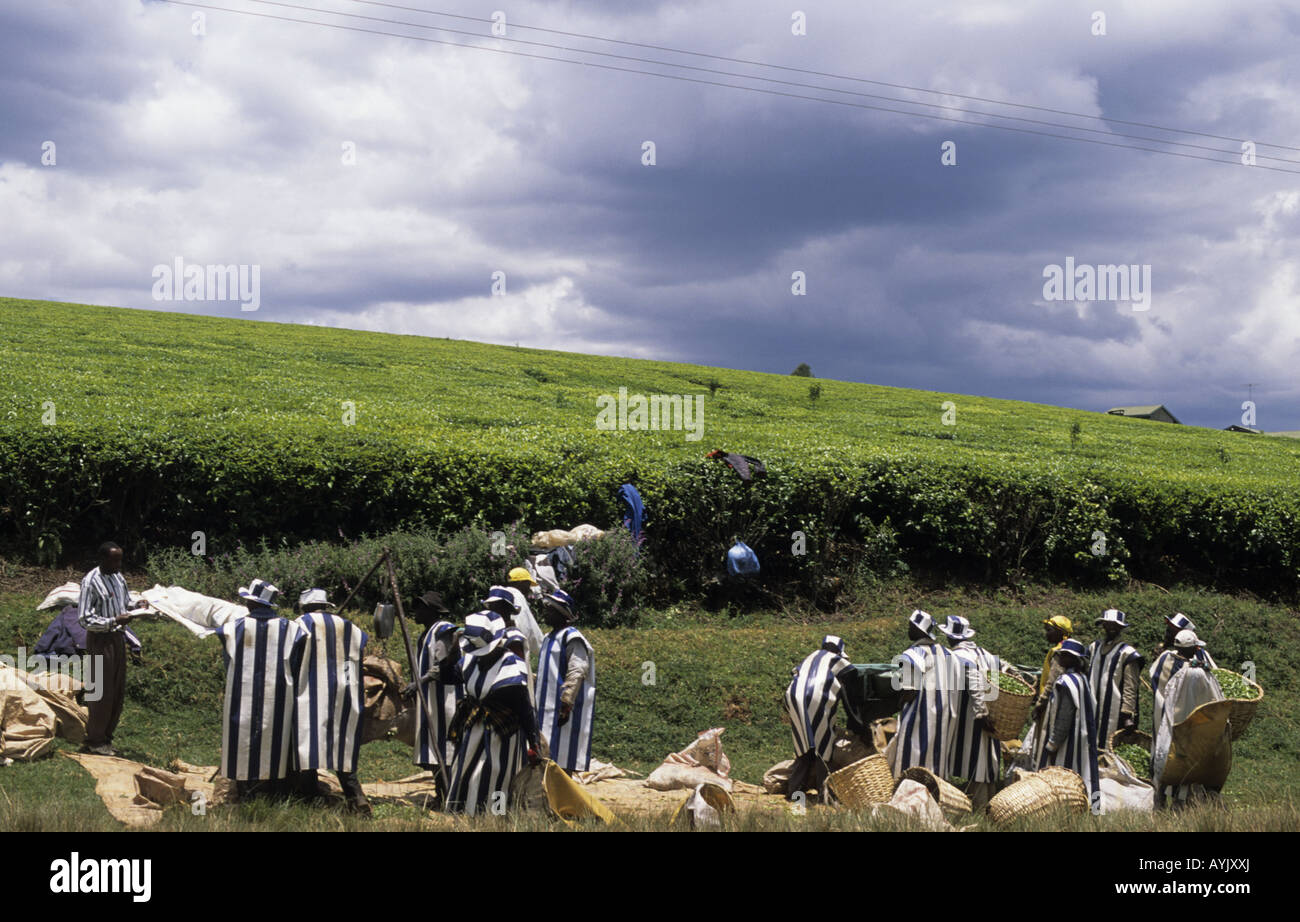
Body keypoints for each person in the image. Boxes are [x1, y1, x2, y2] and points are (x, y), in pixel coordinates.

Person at [213, 579, 305, 801]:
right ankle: (273, 790)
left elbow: (229, 662)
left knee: (241, 737)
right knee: (276, 737)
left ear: (250, 603)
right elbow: (296, 665)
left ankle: (245, 791)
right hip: (279, 695)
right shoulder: (293, 630)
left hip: (240, 694)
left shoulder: (230, 629)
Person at [443, 611, 540, 815]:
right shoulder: (470, 662)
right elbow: (446, 676)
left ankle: (497, 816)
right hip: (474, 727)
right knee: (464, 771)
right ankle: (464, 813)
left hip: (503, 733)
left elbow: (525, 708)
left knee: (498, 775)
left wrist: (534, 742)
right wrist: (453, 648)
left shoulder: (511, 666)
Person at [291, 588, 370, 815]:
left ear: (304, 607)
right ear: (326, 606)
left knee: (307, 744)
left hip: (310, 694)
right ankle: (356, 796)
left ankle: (310, 796)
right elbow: (361, 645)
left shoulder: (299, 624)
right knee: (341, 744)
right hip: (345, 694)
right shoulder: (350, 628)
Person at [78, 542, 150, 756]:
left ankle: (107, 737)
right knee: (100, 690)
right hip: (100, 639)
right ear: (103, 559)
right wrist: (112, 620)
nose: (118, 564)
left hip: (118, 638)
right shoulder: (91, 582)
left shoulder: (118, 577)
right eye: (114, 560)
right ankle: (95, 740)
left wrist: (137, 606)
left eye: (120, 559)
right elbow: (84, 618)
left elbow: (125, 601)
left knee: (117, 689)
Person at [1151, 630, 1225, 809]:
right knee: (1185, 760)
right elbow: (1211, 691)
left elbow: (1155, 678)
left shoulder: (1166, 658)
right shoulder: (1195, 671)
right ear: (1191, 648)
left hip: (1168, 720)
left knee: (1165, 757)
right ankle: (1181, 802)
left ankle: (1160, 799)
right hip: (1188, 722)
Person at [782, 634, 855, 802]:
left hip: (794, 697)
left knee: (803, 746)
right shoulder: (837, 660)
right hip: (818, 698)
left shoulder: (810, 657)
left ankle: (795, 792)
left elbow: (795, 673)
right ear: (838, 651)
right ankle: (825, 794)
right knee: (824, 746)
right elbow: (851, 675)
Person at [941, 615, 1000, 811]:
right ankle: (989, 801)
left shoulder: (959, 656)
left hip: (970, 716)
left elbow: (974, 683)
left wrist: (981, 712)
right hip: (990, 710)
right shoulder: (987, 654)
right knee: (985, 755)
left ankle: (977, 807)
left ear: (950, 637)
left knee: (975, 757)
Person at [535, 590, 595, 775]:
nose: (545, 613)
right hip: (544, 708)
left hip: (562, 710)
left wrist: (567, 702)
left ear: (561, 613)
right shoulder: (547, 638)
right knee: (544, 755)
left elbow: (577, 671)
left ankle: (560, 800)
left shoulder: (572, 638)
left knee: (562, 757)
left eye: (550, 610)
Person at [407, 592, 462, 790]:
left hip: (445, 698)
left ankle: (449, 793)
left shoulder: (443, 630)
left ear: (432, 610)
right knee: (433, 746)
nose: (416, 612)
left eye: (420, 608)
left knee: (445, 746)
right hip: (430, 697)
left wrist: (419, 682)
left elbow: (444, 664)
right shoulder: (425, 634)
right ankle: (441, 792)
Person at [892, 610, 957, 776]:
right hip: (943, 714)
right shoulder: (947, 653)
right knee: (936, 759)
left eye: (910, 626)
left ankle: (909, 792)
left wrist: (898, 704)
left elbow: (910, 690)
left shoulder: (913, 654)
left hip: (919, 714)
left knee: (912, 755)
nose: (908, 629)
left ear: (918, 629)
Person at [1037, 638, 1100, 804]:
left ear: (1074, 659)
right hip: (1081, 737)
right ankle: (1089, 807)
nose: (1060, 659)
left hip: (1067, 741)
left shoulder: (1066, 683)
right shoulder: (1082, 679)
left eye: (1065, 655)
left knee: (1062, 778)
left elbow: (1064, 717)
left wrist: (1053, 743)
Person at [1087, 608, 1144, 749]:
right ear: (1103, 625)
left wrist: (1127, 713)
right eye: (1108, 624)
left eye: (1115, 625)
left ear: (1121, 628)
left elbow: (1130, 686)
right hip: (1092, 703)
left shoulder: (1127, 654)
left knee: (1109, 746)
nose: (1111, 628)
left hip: (1114, 709)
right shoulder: (1094, 647)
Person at [504, 568, 545, 662]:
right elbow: (531, 630)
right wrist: (545, 651)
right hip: (514, 651)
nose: (529, 589)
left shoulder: (501, 595)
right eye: (528, 584)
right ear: (520, 583)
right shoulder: (518, 597)